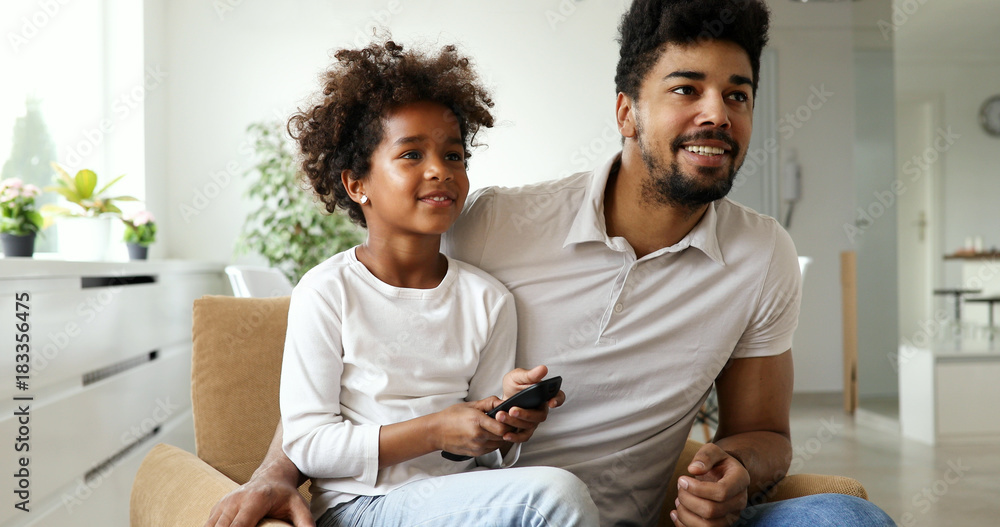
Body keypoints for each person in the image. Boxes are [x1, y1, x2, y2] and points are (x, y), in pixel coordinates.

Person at [206, 1, 897, 526]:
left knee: (849, 518)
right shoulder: (494, 224)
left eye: (737, 94)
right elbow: (376, 323)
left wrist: (737, 468)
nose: (717, 114)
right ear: (626, 112)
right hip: (499, 508)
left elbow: (767, 434)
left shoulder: (762, 254)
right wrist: (276, 468)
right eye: (686, 89)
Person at [274, 40, 598, 527]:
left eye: (453, 155)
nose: (439, 171)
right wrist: (434, 430)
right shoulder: (326, 291)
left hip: (458, 499)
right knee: (555, 497)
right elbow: (309, 445)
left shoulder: (489, 300)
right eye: (411, 154)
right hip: (359, 507)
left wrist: (503, 425)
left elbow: (482, 456)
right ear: (356, 184)